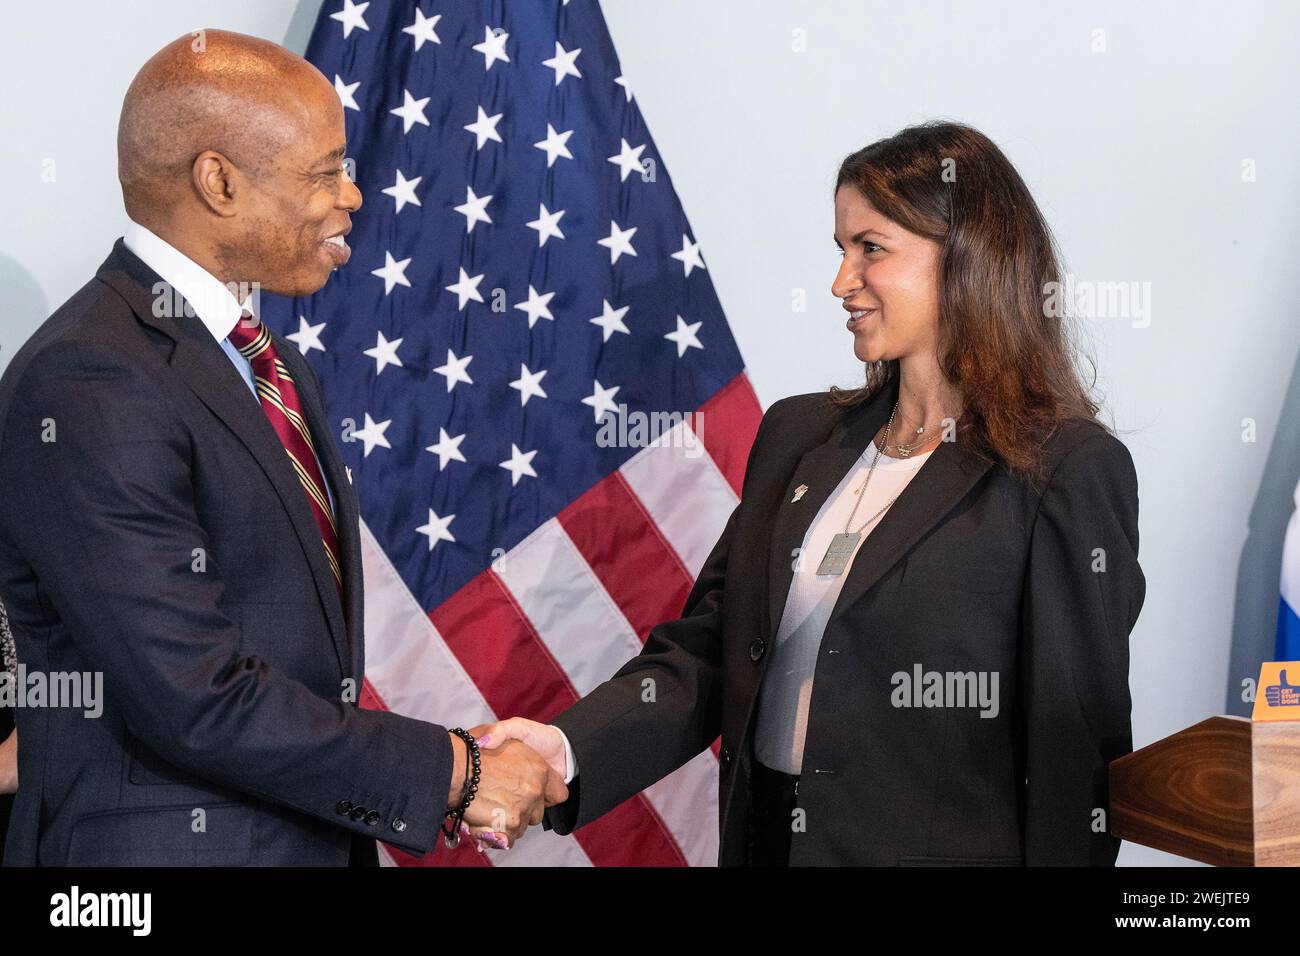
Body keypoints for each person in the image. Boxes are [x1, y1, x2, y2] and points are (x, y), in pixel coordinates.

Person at [475, 121, 1146, 866]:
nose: (841, 281)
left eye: (872, 248)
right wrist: (563, 751)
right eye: (841, 250)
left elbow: (1072, 763)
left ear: (966, 257)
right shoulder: (798, 435)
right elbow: (708, 652)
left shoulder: (1066, 469)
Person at [0, 30, 563, 866]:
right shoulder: (90, 377)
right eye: (324, 171)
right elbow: (194, 693)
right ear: (218, 181)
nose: (354, 194)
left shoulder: (264, 358)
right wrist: (453, 770)